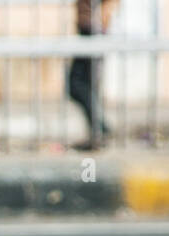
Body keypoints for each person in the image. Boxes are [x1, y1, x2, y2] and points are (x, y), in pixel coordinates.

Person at [68, 0, 120, 149]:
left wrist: (101, 18)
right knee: (86, 84)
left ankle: (100, 128)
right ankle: (97, 133)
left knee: (77, 84)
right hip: (88, 30)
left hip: (92, 31)